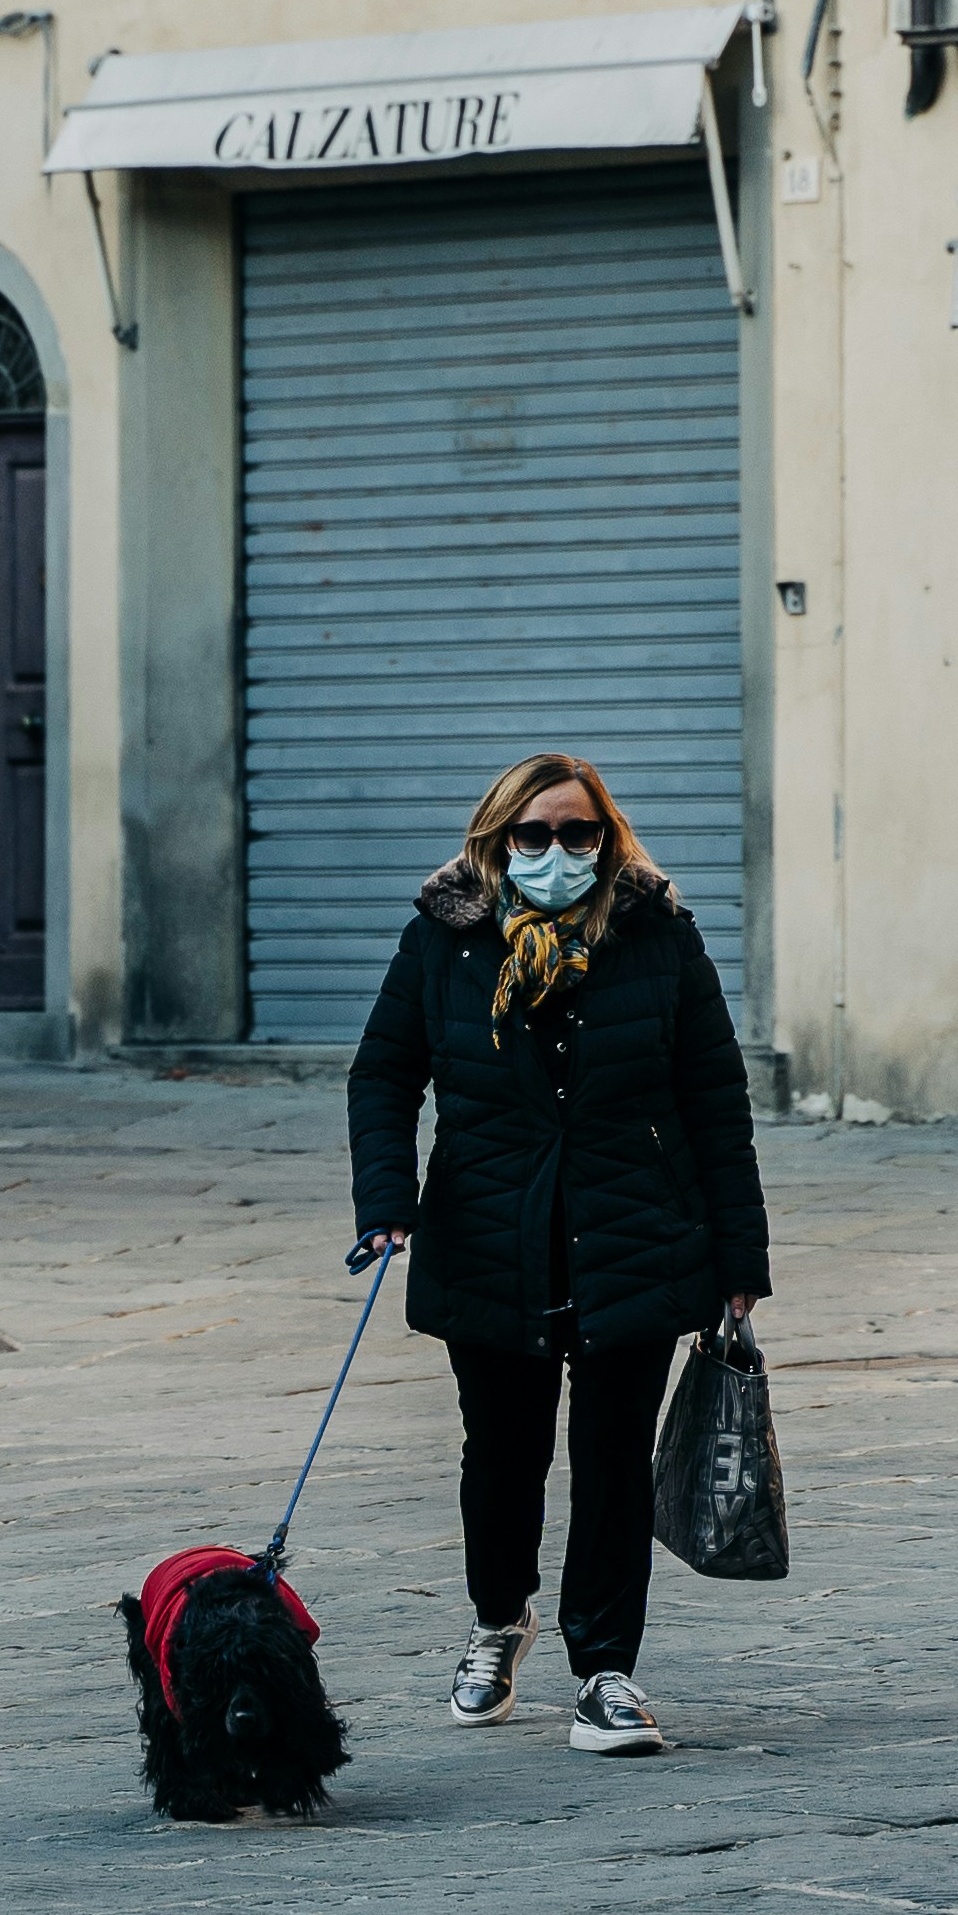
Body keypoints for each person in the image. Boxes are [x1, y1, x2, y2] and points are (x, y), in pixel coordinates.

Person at [345, 747, 771, 1757]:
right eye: (531, 833)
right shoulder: (442, 940)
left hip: (637, 1230)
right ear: (498, 839)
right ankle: (500, 1619)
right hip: (488, 1232)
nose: (555, 850)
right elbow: (382, 1074)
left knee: (613, 1460)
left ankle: (604, 1672)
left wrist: (739, 1257)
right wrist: (386, 1201)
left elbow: (717, 1099)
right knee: (501, 1458)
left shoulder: (657, 935)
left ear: (606, 835)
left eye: (577, 831)